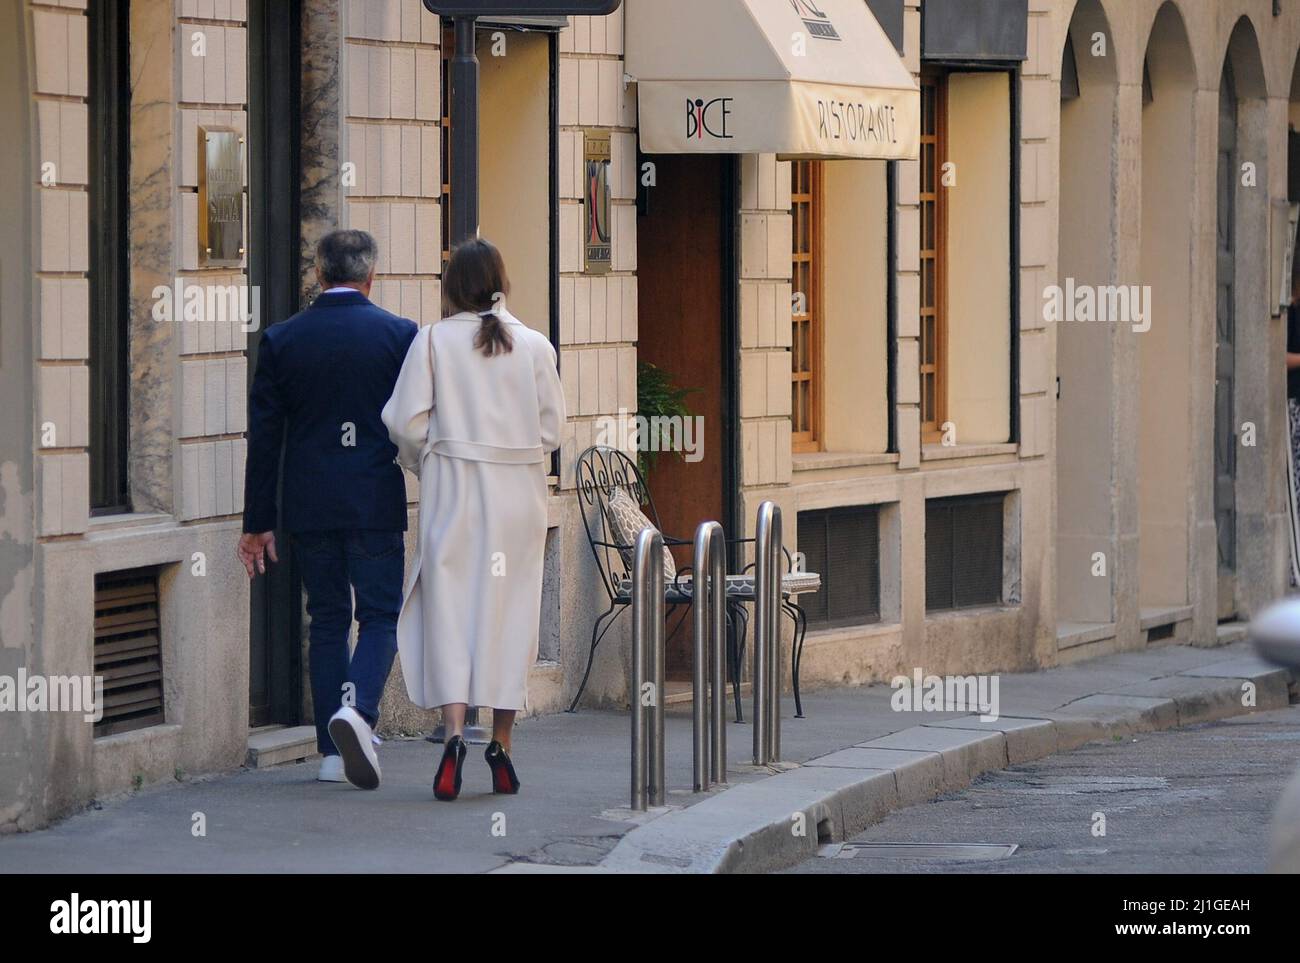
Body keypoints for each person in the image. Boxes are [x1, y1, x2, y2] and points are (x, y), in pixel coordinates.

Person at [383, 237, 565, 801]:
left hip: (453, 496)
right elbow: (553, 431)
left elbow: (404, 423)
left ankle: (456, 733)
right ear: (501, 283)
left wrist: (429, 461)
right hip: (516, 501)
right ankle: (503, 743)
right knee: (509, 617)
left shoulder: (432, 341)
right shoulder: (535, 345)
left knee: (450, 612)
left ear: (451, 288)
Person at [239, 229, 418, 789]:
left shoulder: (283, 338)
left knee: (328, 620)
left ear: (318, 275)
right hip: (374, 500)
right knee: (382, 616)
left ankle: (331, 754)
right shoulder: (400, 336)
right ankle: (359, 712)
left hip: (309, 503)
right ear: (372, 276)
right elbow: (414, 423)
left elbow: (264, 437)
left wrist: (257, 523)